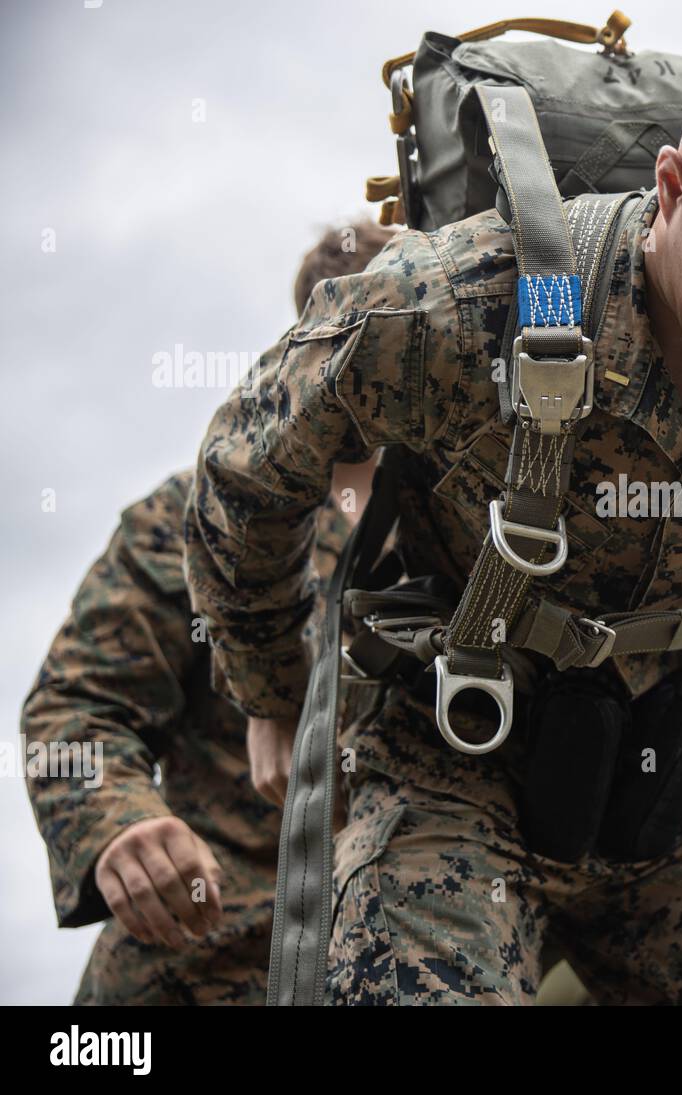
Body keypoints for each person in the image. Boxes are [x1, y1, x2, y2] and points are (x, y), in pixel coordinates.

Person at [185, 22, 682, 1005]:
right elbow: (243, 473)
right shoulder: (447, 314)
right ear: (674, 190)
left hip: (677, 787)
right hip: (448, 760)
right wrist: (271, 689)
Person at [21, 222, 390, 1004]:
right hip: (205, 952)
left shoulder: (479, 529)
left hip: (407, 953)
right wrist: (119, 822)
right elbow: (78, 706)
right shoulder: (196, 519)